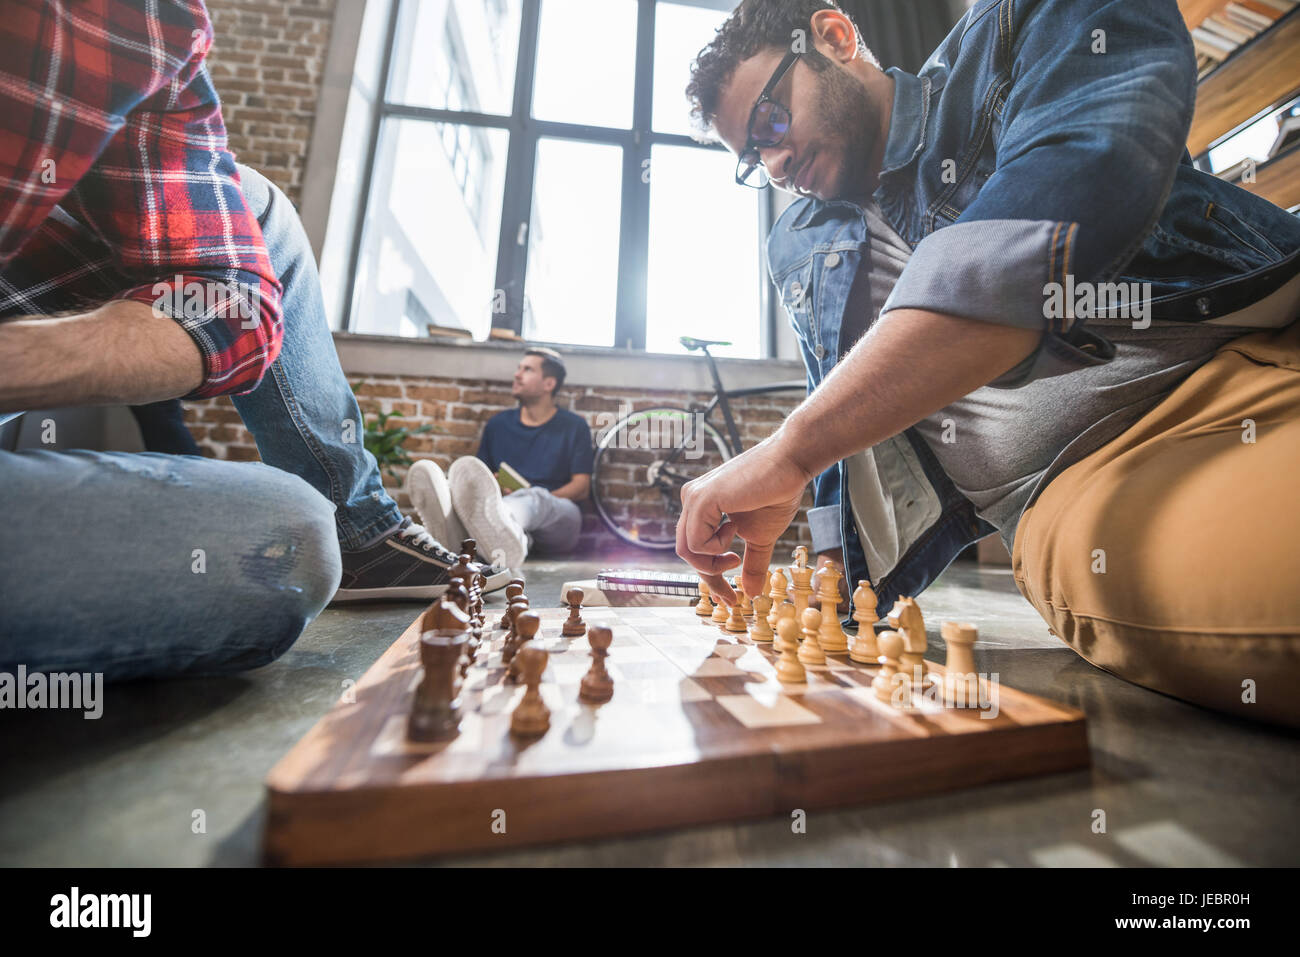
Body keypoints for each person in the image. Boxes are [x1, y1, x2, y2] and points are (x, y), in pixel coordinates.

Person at [676, 0, 1300, 726]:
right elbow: (840, 403)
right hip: (1085, 481)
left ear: (836, 37)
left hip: (1253, 335)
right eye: (755, 160)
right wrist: (832, 564)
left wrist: (791, 448)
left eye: (771, 123)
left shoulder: (1015, 29)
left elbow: (1058, 222)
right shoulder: (797, 245)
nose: (776, 163)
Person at [0, 1, 501, 684]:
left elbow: (232, 293)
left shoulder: (149, 22)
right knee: (276, 547)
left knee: (291, 536)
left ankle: (367, 535)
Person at [407, 348, 593, 573]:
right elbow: (474, 477)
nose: (517, 374)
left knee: (536, 498)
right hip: (511, 520)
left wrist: (527, 497)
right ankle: (467, 537)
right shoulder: (498, 425)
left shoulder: (574, 426)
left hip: (559, 518)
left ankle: (475, 528)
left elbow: (581, 488)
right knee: (516, 533)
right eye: (519, 368)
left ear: (549, 384)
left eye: (527, 369)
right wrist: (494, 485)